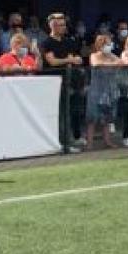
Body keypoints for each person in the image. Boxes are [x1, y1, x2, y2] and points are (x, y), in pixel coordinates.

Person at [41, 12, 85, 151]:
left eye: (64, 25)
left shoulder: (69, 42)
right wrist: (69, 60)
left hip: (70, 80)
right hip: (55, 81)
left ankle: (71, 139)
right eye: (59, 25)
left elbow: (74, 58)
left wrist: (70, 60)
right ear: (52, 26)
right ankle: (63, 143)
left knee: (73, 111)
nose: (63, 27)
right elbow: (52, 61)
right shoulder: (47, 42)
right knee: (61, 114)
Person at [85, 35, 123, 149]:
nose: (109, 46)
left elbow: (121, 62)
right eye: (107, 44)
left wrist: (111, 58)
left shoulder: (111, 56)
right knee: (92, 117)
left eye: (110, 44)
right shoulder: (94, 55)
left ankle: (107, 141)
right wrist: (112, 63)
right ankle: (89, 144)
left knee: (107, 118)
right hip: (96, 90)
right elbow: (96, 64)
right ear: (100, 45)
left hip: (110, 89)